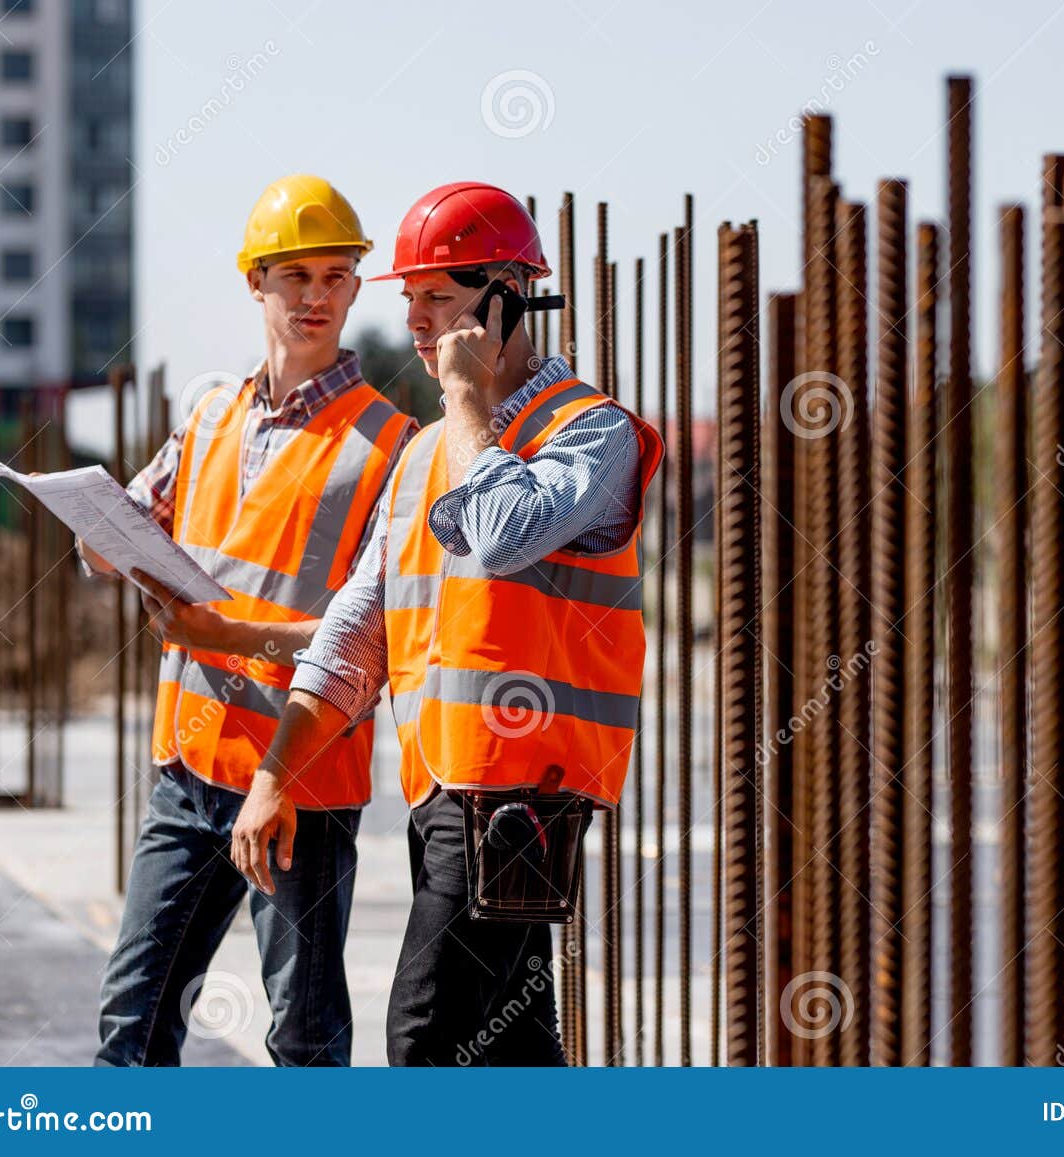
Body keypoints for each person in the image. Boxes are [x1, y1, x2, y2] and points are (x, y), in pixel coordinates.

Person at [231, 182, 663, 1065]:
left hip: (526, 801)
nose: (420, 323)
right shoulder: (427, 453)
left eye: (441, 298)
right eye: (410, 299)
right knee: (512, 1050)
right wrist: (275, 773)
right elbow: (359, 627)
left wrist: (469, 402)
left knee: (424, 1037)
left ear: (509, 293)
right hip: (443, 798)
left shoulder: (592, 432)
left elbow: (504, 537)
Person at [84, 174, 418, 1066]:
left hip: (300, 777)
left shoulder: (390, 443)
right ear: (255, 282)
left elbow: (378, 632)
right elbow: (119, 537)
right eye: (295, 275)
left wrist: (233, 639)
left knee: (303, 1041)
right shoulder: (208, 418)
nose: (316, 296)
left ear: (354, 286)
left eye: (336, 275)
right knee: (134, 1020)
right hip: (190, 764)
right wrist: (99, 534)